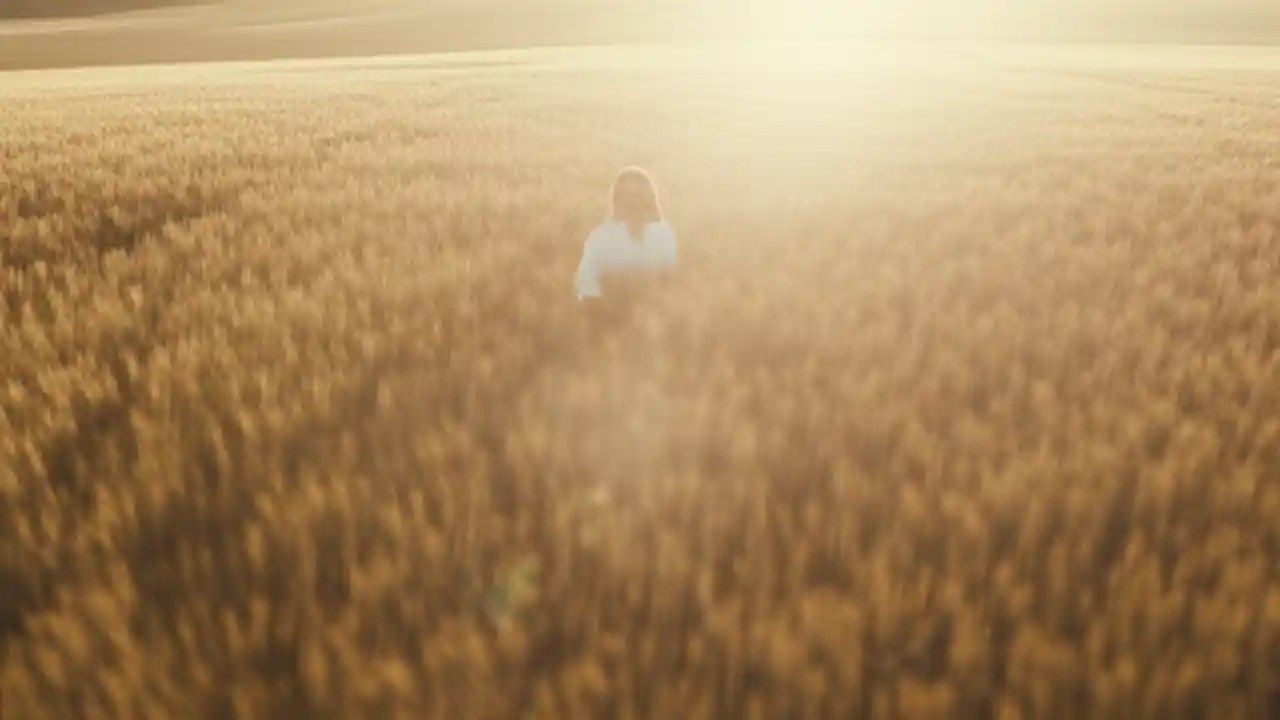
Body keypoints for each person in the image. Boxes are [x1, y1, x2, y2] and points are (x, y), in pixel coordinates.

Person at [575, 167, 677, 304]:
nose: (637, 206)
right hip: (608, 315)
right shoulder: (599, 240)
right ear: (617, 203)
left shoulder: (663, 234)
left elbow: (671, 282)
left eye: (642, 198)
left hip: (655, 312)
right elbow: (587, 289)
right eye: (629, 201)